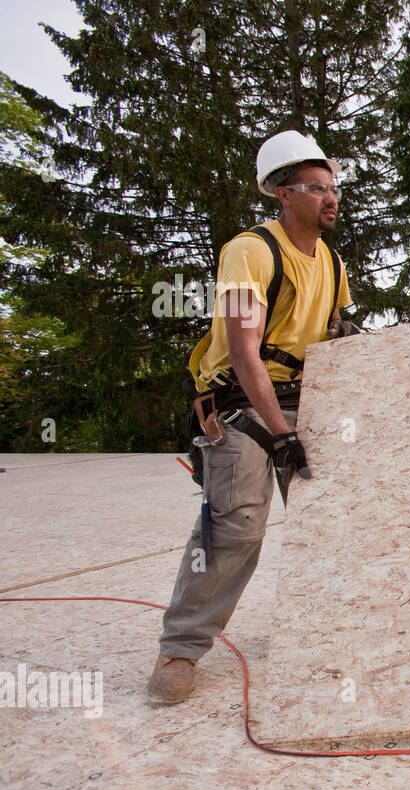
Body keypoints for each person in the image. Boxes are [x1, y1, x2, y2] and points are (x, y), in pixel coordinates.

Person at [147, 130, 357, 704]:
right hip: (239, 402)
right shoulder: (251, 250)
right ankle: (181, 649)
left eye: (333, 188)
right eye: (317, 188)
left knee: (333, 519)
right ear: (282, 194)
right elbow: (244, 352)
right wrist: (283, 435)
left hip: (304, 398)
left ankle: (333, 632)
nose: (330, 197)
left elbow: (335, 335)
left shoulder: (334, 262)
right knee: (236, 524)